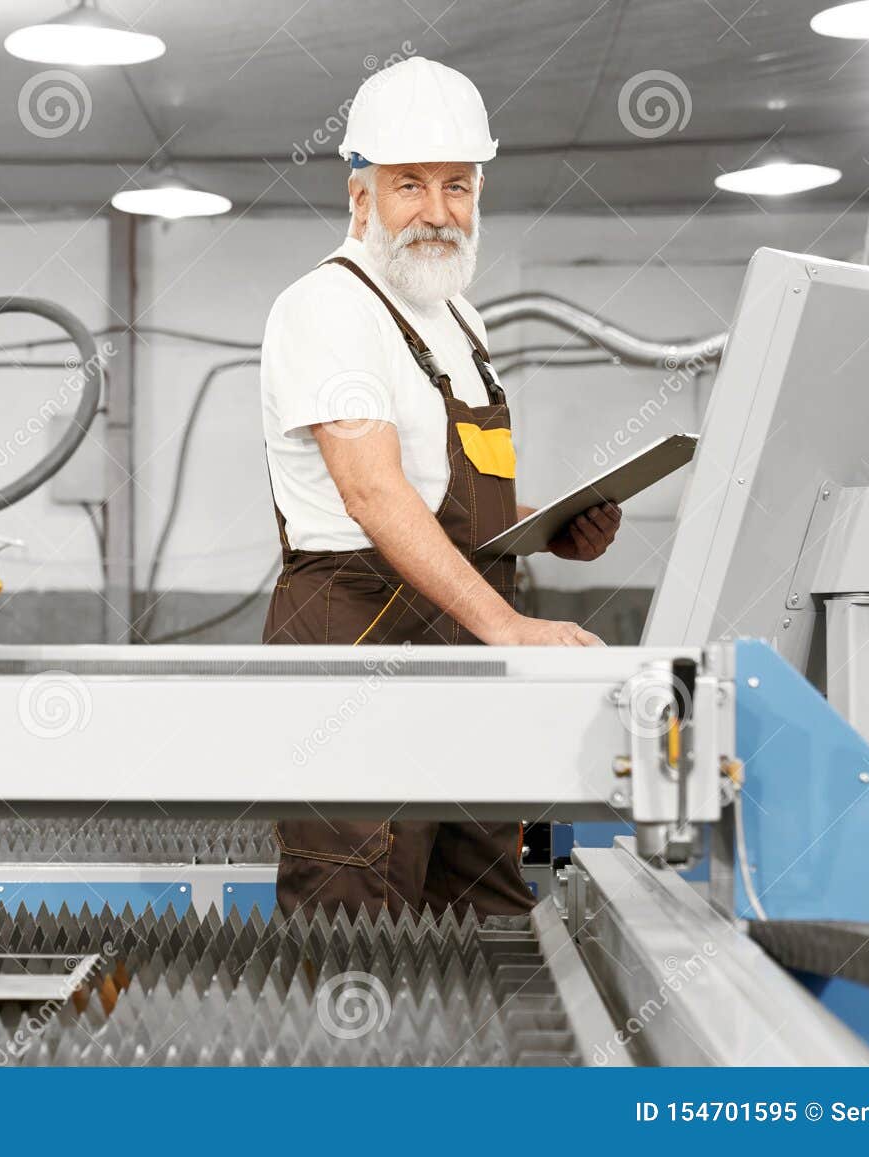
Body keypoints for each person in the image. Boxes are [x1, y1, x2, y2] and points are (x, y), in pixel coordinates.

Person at [260, 57, 621, 921]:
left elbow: (457, 500)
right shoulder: (326, 308)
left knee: (484, 901)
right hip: (358, 639)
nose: (436, 211)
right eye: (409, 184)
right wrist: (507, 625)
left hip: (468, 641)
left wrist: (548, 526)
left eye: (456, 187)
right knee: (357, 908)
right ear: (362, 198)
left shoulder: (462, 318)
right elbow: (374, 494)